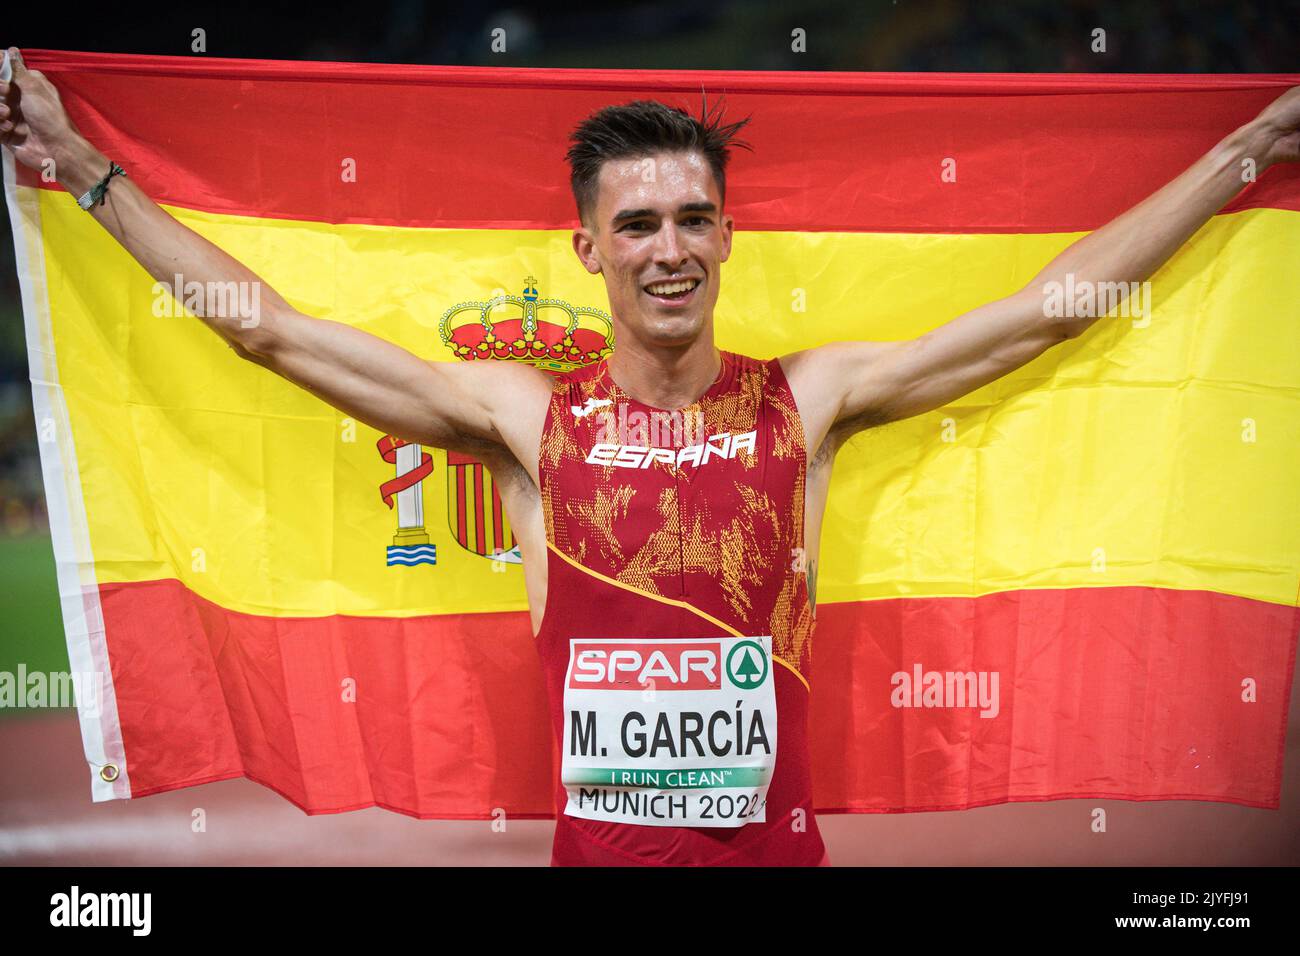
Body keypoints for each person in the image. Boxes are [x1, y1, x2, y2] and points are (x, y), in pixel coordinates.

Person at [2, 46, 1297, 866]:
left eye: (692, 219)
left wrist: (1244, 153)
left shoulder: (815, 399)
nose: (668, 246)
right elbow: (272, 335)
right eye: (638, 225)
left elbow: (1044, 313)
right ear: (591, 250)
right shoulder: (525, 419)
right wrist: (81, 166)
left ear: (727, 238)